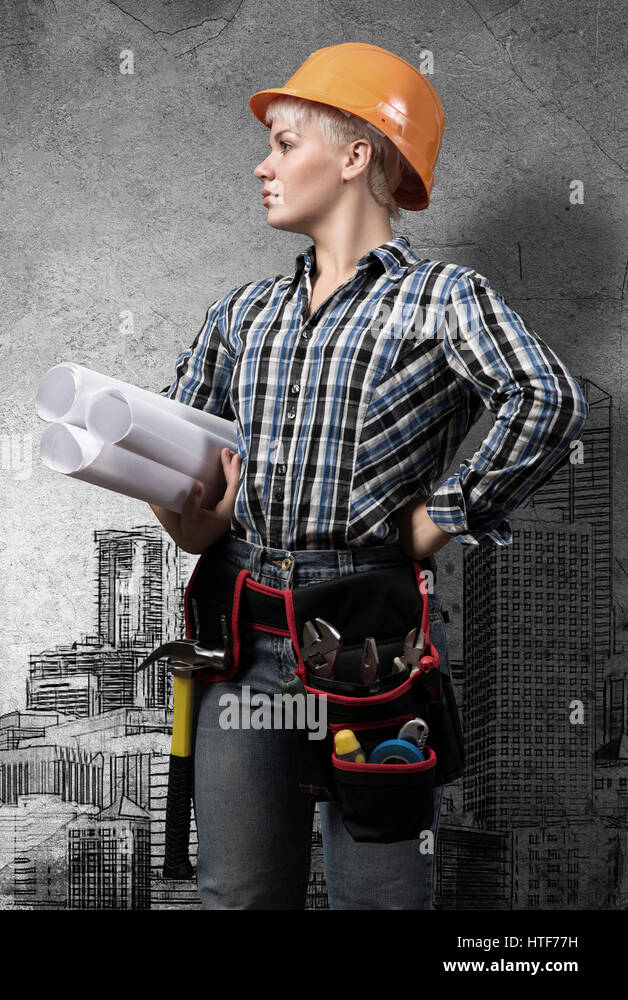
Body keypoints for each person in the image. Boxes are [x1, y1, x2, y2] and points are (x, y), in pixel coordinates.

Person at [149, 43, 587, 909]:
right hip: (239, 638)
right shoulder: (243, 314)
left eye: (283, 143)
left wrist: (441, 517)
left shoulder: (442, 297)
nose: (262, 165)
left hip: (372, 643)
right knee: (235, 897)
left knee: (380, 898)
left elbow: (548, 399)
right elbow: (181, 471)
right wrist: (190, 518)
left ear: (356, 157)